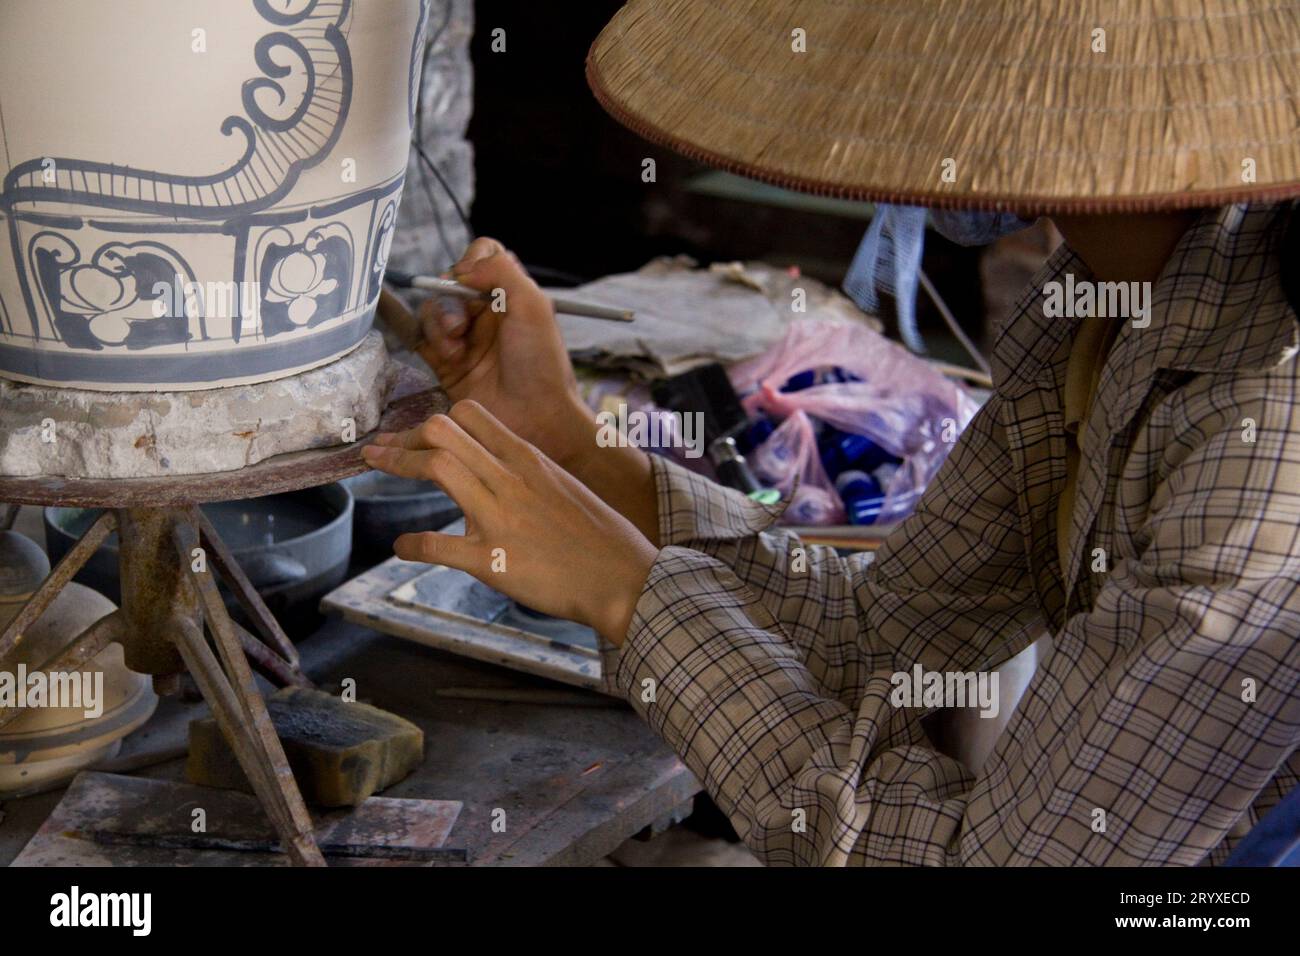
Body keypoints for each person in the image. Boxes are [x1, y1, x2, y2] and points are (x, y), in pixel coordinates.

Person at [361, 1, 1300, 865]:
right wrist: (572, 445)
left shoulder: (1259, 456)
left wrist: (632, 595)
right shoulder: (1122, 289)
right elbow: (875, 636)